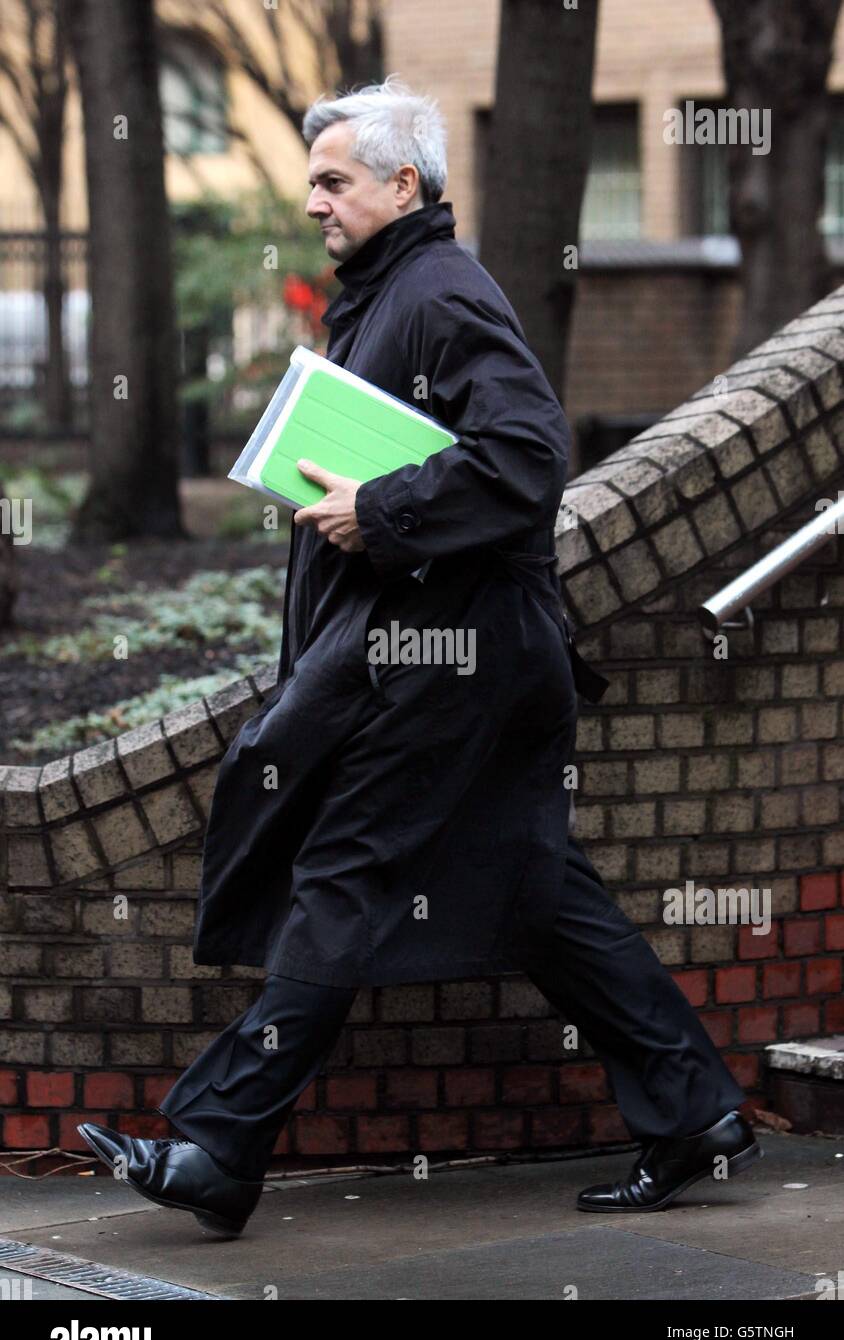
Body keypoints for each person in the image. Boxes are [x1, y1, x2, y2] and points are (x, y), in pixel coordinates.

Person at [78, 77, 761, 1239]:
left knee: (342, 879)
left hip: (451, 664)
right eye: (311, 182)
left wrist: (382, 509)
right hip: (470, 659)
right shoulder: (391, 293)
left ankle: (218, 1146)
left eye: (333, 181)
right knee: (540, 898)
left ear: (404, 184)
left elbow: (528, 454)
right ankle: (693, 1111)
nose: (313, 202)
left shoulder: (440, 289)